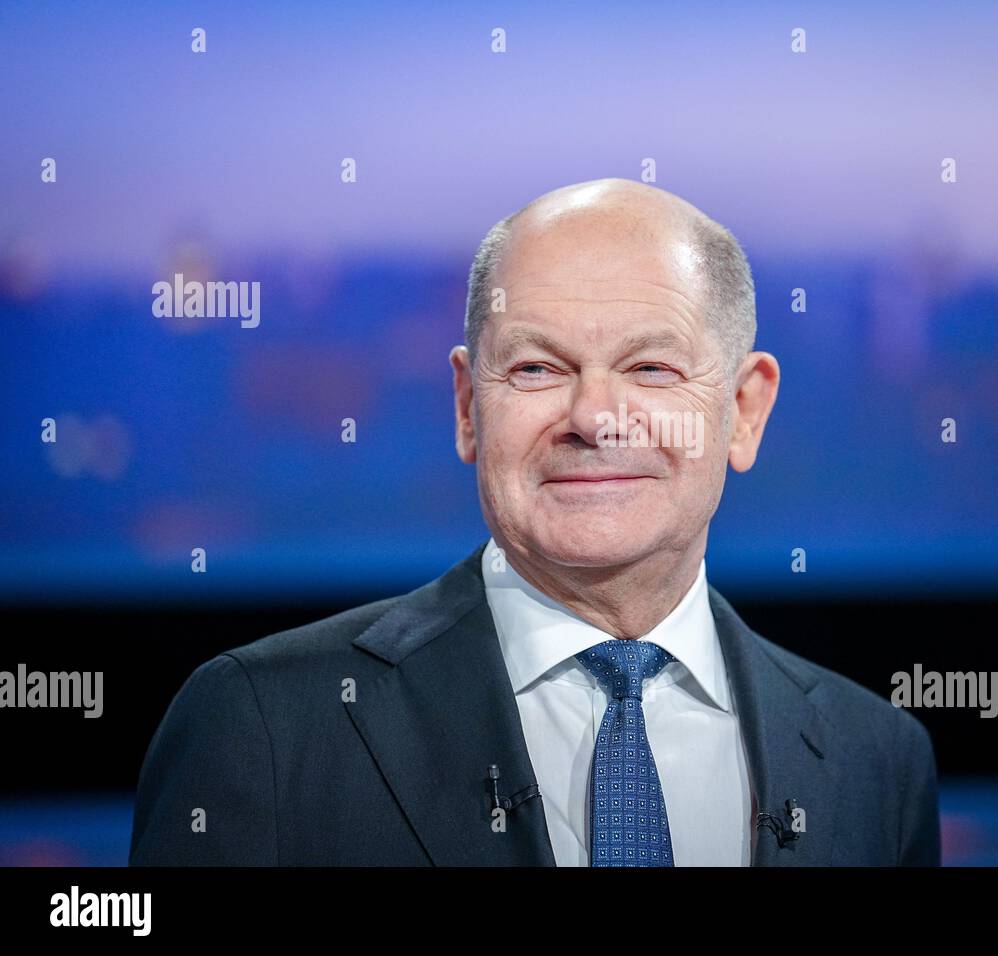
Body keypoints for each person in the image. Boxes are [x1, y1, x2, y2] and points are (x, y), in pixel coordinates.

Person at [129, 178, 940, 866]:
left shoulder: (876, 761)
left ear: (744, 410)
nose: (594, 417)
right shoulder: (262, 727)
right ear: (467, 406)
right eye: (536, 368)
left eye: (650, 368)